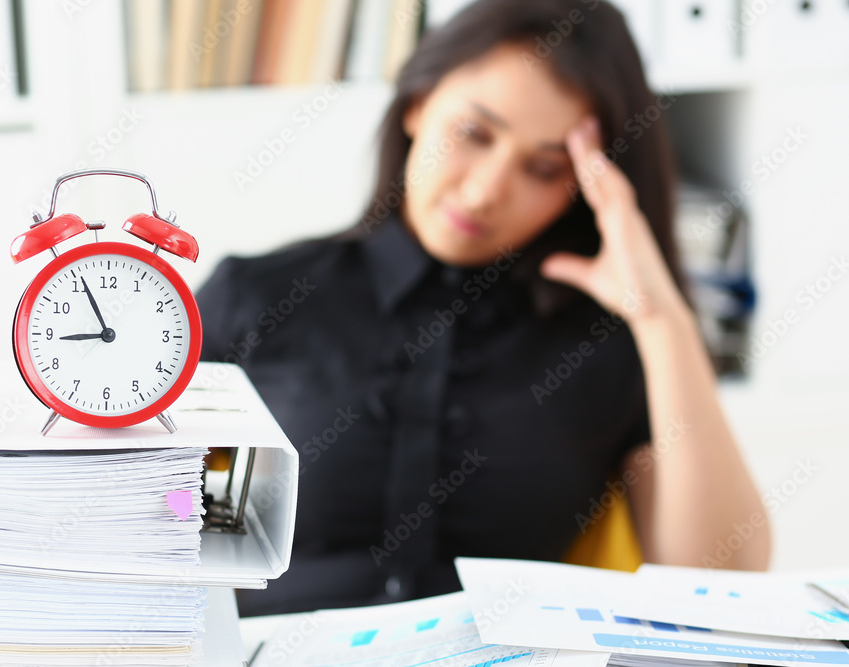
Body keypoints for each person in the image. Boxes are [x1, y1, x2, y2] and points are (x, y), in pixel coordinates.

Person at [196, 0, 770, 617]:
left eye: (543, 168)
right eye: (473, 134)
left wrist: (662, 319)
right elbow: (150, 524)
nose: (484, 191)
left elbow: (721, 582)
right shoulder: (254, 296)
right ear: (417, 103)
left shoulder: (602, 344)